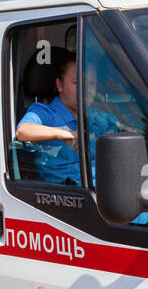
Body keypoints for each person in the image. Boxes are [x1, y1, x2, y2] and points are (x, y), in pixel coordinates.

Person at [15, 47, 118, 185]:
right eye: (77, 83)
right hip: (64, 196)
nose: (86, 89)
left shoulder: (102, 119)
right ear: (60, 85)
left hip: (105, 191)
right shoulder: (46, 113)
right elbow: (23, 131)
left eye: (92, 83)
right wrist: (62, 133)